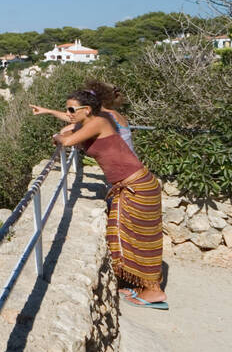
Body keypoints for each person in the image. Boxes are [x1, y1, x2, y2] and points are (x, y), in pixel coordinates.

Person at [52, 89, 168, 309]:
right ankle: (141, 284)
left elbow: (65, 141)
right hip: (128, 187)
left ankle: (154, 291)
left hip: (138, 187)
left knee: (142, 238)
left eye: (71, 109)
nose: (69, 113)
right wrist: (64, 133)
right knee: (125, 236)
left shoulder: (99, 122)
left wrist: (59, 137)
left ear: (87, 110)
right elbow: (67, 133)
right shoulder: (88, 125)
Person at [31, 81, 135, 152]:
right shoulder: (108, 114)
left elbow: (70, 137)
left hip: (128, 174)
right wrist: (48, 111)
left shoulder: (104, 117)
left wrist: (58, 136)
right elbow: (74, 119)